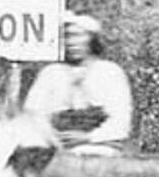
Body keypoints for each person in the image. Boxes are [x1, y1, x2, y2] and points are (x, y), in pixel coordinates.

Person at [23, 12, 134, 151]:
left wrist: (89, 137)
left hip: (100, 148)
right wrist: (51, 136)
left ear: (92, 39)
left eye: (77, 35)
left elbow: (121, 120)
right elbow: (33, 113)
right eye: (66, 36)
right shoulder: (50, 73)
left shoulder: (109, 72)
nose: (71, 42)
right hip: (55, 149)